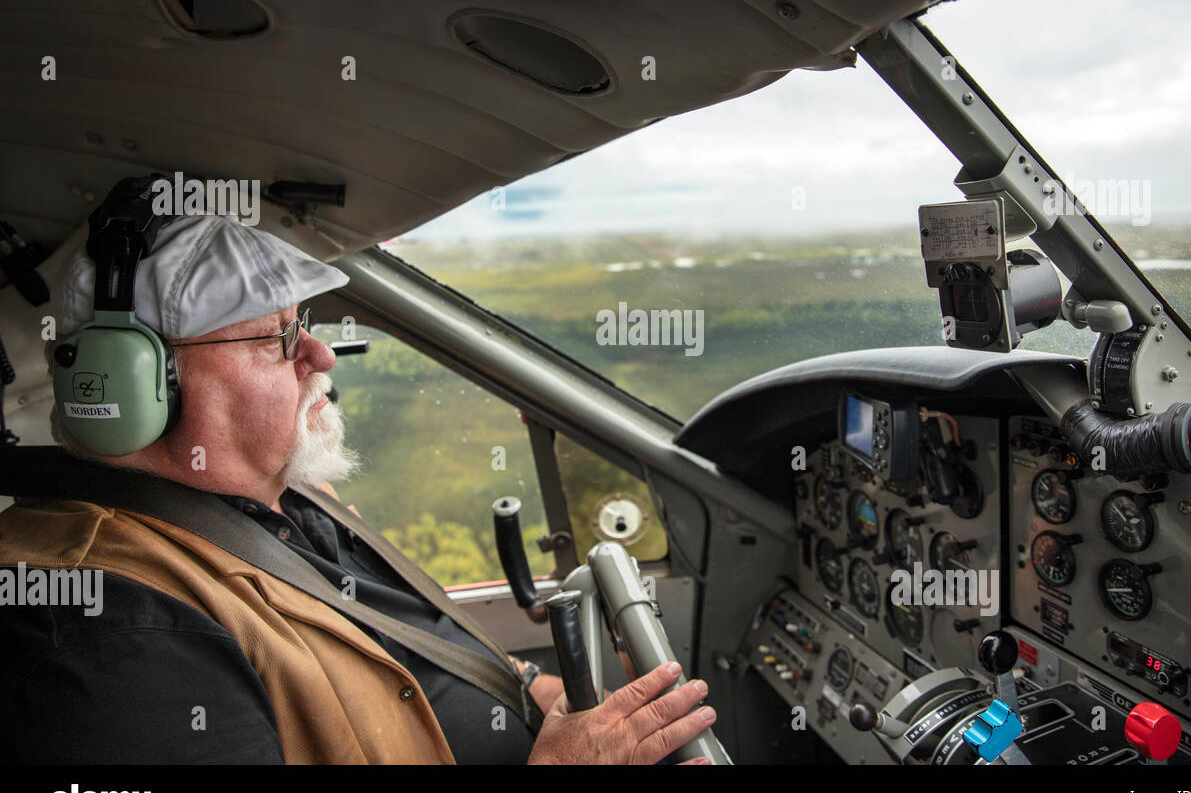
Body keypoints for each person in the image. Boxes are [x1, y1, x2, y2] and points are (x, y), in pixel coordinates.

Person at [0, 179, 716, 763]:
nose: (320, 356)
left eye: (302, 322)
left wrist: (540, 697)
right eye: (278, 337)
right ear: (144, 384)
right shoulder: (103, 625)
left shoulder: (287, 505)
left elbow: (417, 657)